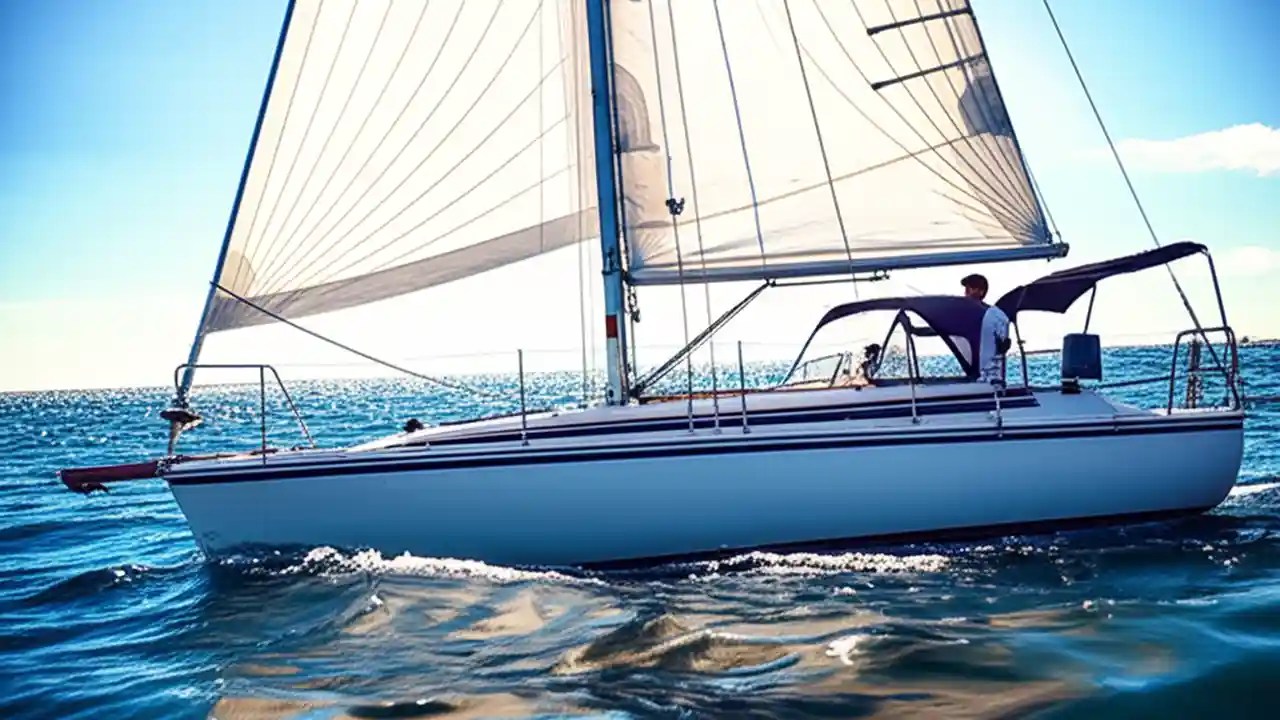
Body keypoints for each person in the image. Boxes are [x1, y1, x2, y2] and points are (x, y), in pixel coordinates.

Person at [961, 273, 1010, 385]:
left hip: (989, 376)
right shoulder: (963, 315)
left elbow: (1003, 344)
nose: (966, 292)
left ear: (981, 291)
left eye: (970, 288)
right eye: (966, 289)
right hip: (973, 373)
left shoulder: (995, 315)